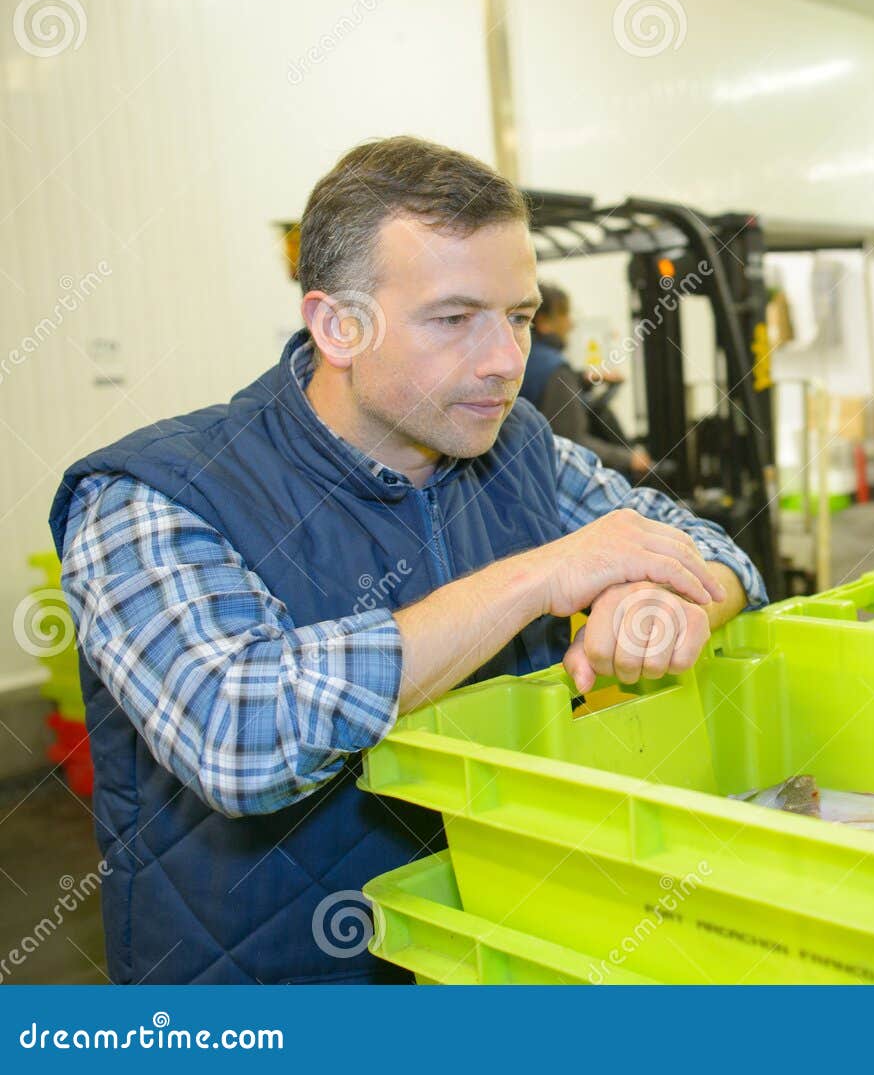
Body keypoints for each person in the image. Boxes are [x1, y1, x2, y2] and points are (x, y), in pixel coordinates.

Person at [47, 137, 767, 985]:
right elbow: (241, 735)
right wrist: (536, 576)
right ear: (338, 325)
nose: (505, 359)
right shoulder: (152, 493)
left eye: (521, 316)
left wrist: (668, 599)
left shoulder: (520, 449)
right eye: (455, 318)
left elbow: (722, 556)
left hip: (500, 955)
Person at [519, 282, 653, 478]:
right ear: (544, 322)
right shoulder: (556, 370)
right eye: (564, 315)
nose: (570, 324)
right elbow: (572, 442)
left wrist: (584, 378)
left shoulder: (528, 358)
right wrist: (628, 459)